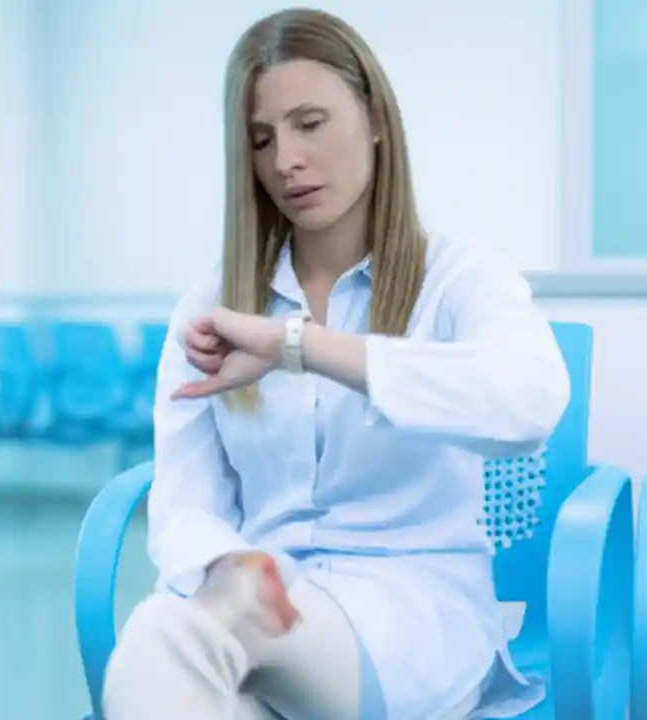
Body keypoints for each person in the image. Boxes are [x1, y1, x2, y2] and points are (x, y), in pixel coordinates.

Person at [101, 7, 569, 719]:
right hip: (259, 611)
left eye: (310, 123)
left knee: (172, 640)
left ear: (375, 117)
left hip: (410, 620)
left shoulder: (459, 277)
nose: (285, 160)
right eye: (262, 139)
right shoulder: (210, 308)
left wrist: (300, 346)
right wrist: (226, 563)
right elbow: (184, 506)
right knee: (183, 651)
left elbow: (529, 402)